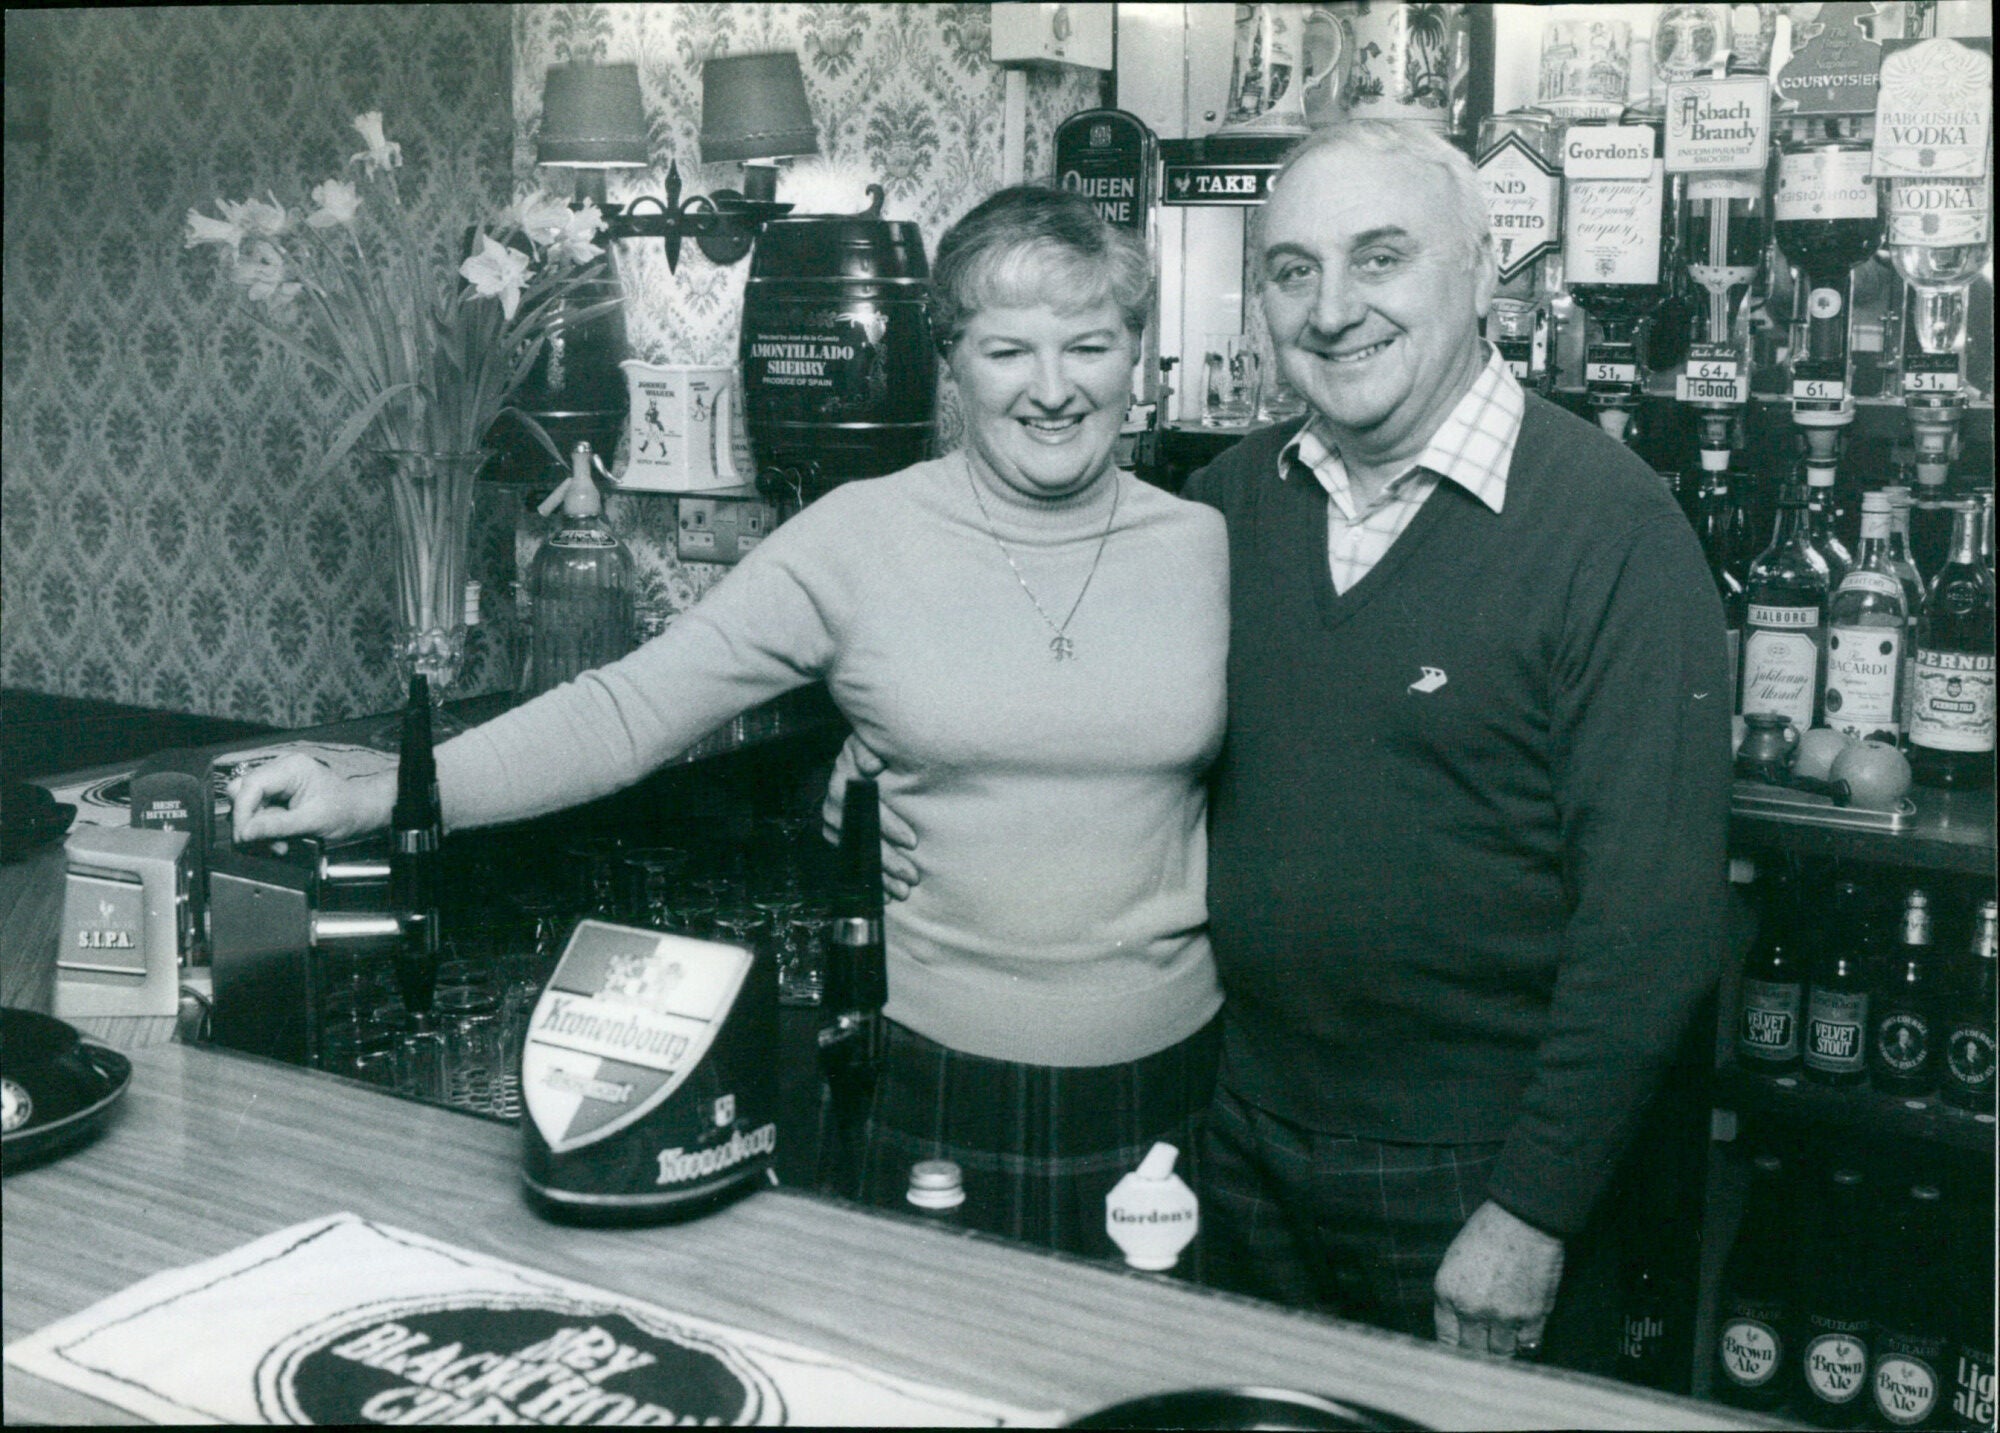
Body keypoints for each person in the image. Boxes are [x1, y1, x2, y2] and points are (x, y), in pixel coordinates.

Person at [231, 185, 1230, 1260]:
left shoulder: (1215, 542)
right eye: (1004, 351)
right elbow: (626, 710)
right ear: (948, 364)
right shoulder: (859, 535)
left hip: (1176, 1085)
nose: (1050, 389)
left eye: (1086, 345)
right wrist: (390, 787)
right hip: (930, 1075)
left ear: (1136, 353)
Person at [1181, 120, 1731, 1368]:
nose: (1330, 310)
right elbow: (1085, 694)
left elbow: (1651, 926)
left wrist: (1533, 1206)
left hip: (1472, 1177)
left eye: (1379, 259)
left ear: (1485, 274)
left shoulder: (1611, 531)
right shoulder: (1223, 502)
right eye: (1291, 269)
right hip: (1241, 1137)